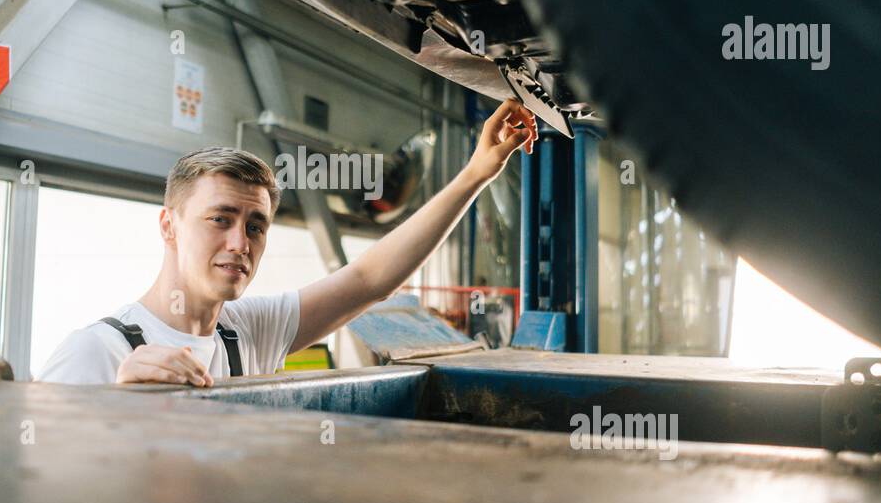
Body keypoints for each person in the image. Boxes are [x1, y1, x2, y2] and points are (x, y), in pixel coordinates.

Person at [37, 98, 538, 386]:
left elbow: (368, 280)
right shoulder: (95, 354)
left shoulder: (248, 330)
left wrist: (476, 174)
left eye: (256, 225)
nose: (241, 242)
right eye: (220, 218)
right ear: (168, 225)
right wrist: (113, 415)